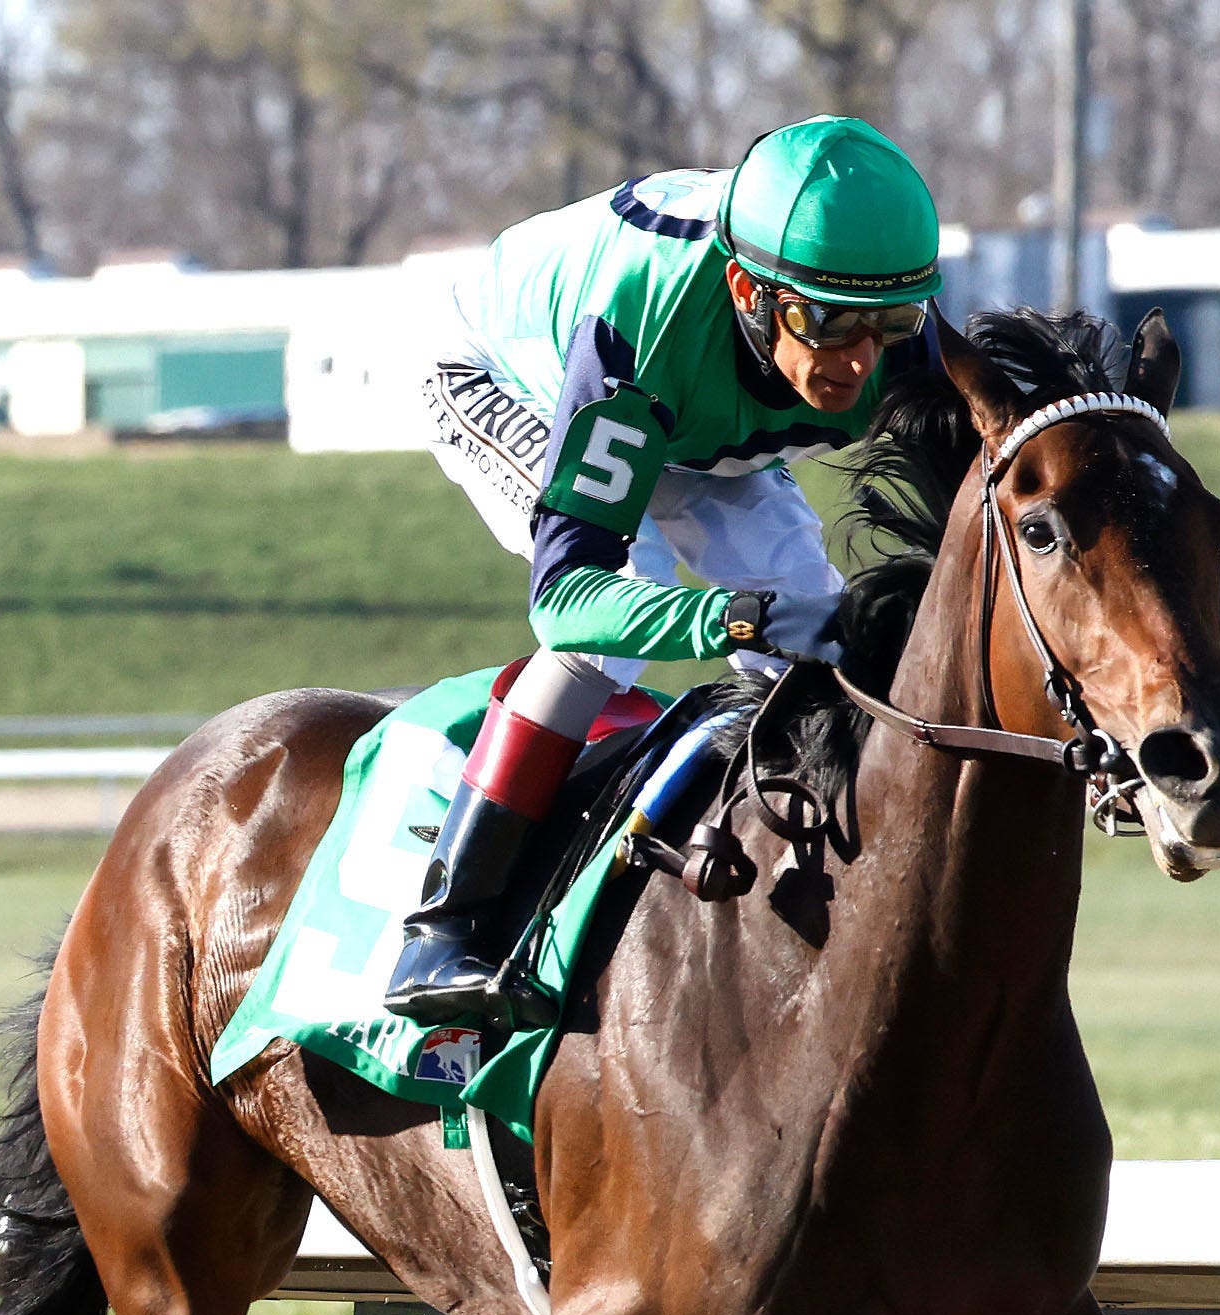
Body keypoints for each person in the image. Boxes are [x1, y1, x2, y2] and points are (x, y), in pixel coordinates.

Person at [391, 115, 943, 1027]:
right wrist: (734, 620)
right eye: (828, 323)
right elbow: (567, 601)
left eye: (890, 325)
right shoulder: (639, 325)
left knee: (826, 628)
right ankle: (445, 927)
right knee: (603, 644)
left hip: (697, 421)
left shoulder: (888, 321)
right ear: (748, 289)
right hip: (518, 375)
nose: (858, 359)